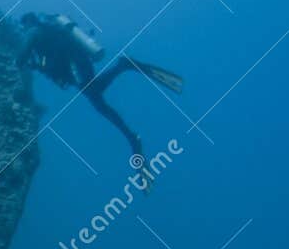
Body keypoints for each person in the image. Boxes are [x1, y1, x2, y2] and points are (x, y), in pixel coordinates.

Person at [18, 13, 184, 159]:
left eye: (23, 27)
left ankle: (124, 65)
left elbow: (22, 56)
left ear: (28, 22)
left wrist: (19, 62)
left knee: (95, 95)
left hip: (74, 64)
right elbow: (49, 62)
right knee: (99, 103)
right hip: (78, 63)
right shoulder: (48, 30)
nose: (23, 30)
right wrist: (37, 65)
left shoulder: (34, 31)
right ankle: (130, 136)